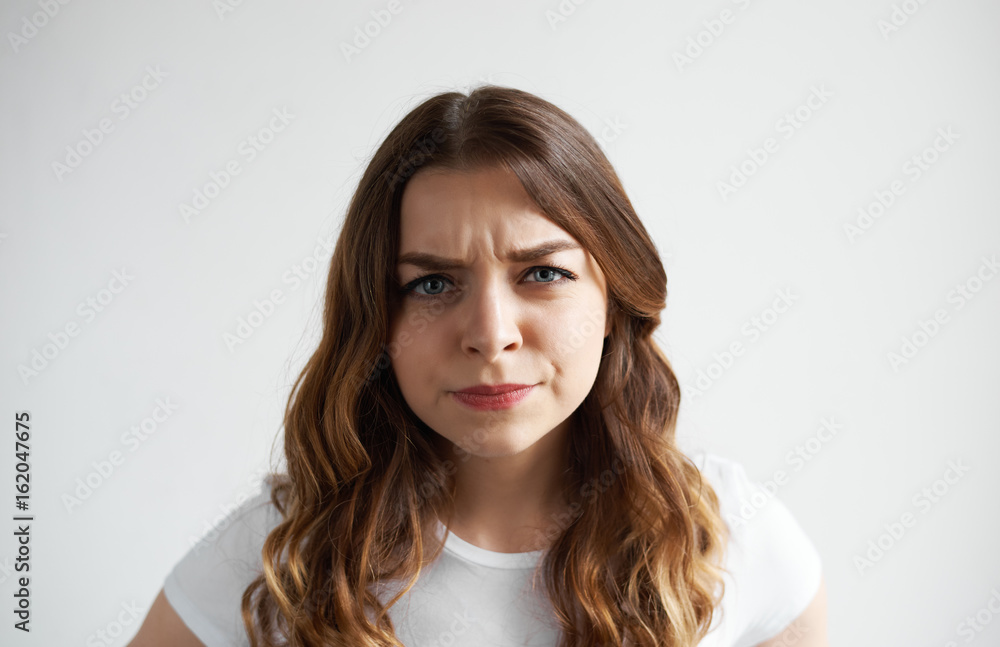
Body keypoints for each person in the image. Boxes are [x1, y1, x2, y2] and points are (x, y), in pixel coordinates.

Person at [128, 85, 828, 646]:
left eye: (543, 274)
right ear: (377, 319)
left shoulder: (735, 534)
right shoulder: (283, 556)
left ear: (614, 298)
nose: (491, 336)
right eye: (432, 284)